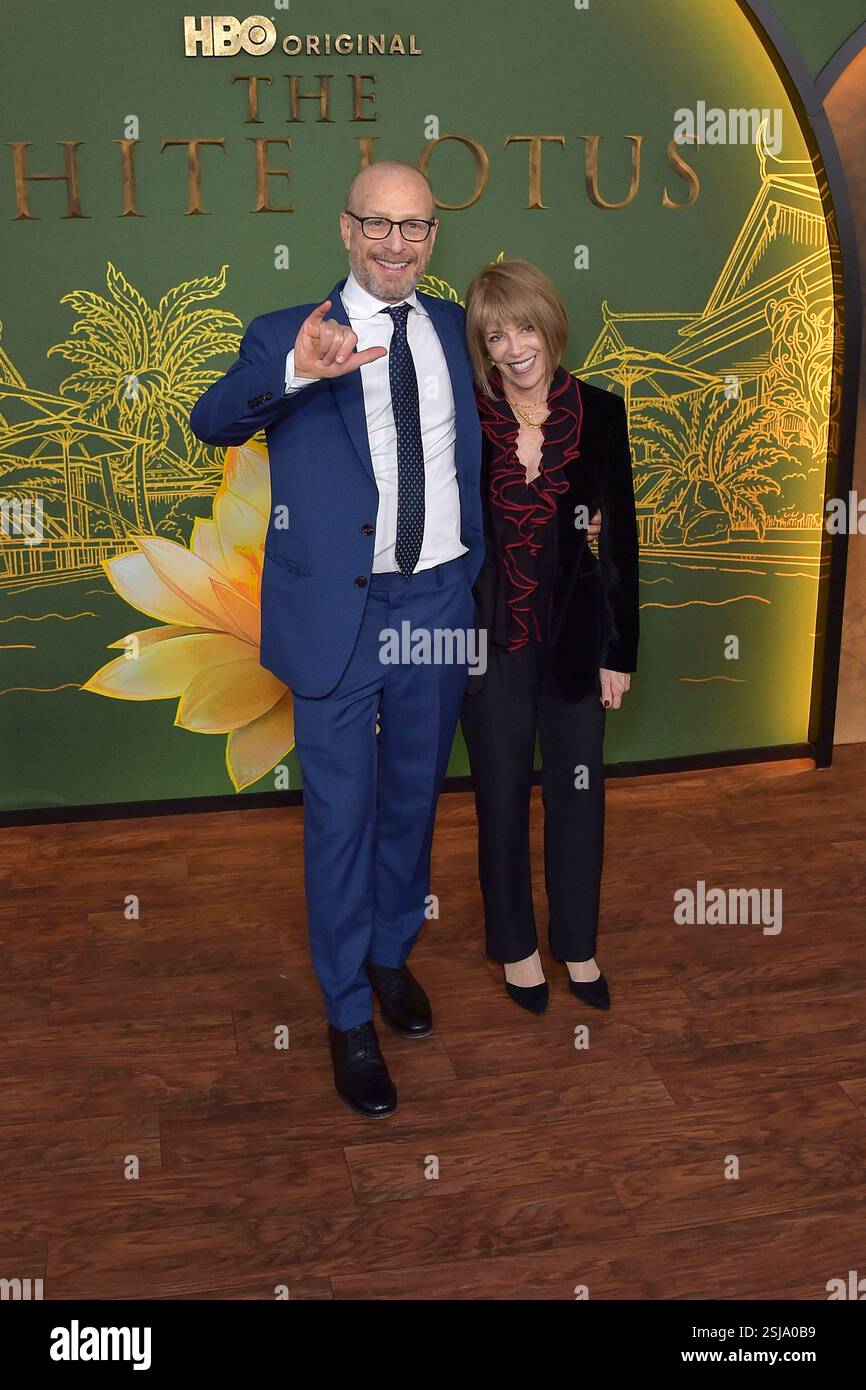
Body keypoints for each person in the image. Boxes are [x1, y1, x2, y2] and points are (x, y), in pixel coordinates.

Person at [189, 161, 484, 1118]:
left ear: (432, 236)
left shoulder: (450, 327)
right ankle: (347, 1010)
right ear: (346, 227)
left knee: (413, 798)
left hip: (436, 604)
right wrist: (293, 374)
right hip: (338, 620)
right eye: (377, 225)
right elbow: (211, 421)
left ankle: (392, 954)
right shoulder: (289, 332)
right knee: (340, 817)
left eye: (415, 228)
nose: (395, 244)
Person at [459, 257, 639, 1015]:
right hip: (487, 638)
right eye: (495, 336)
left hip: (573, 636)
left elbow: (622, 538)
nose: (514, 347)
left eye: (524, 327)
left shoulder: (601, 411)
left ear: (550, 326)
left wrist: (619, 651)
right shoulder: (465, 416)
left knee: (578, 792)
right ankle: (517, 947)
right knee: (499, 794)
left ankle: (577, 943)